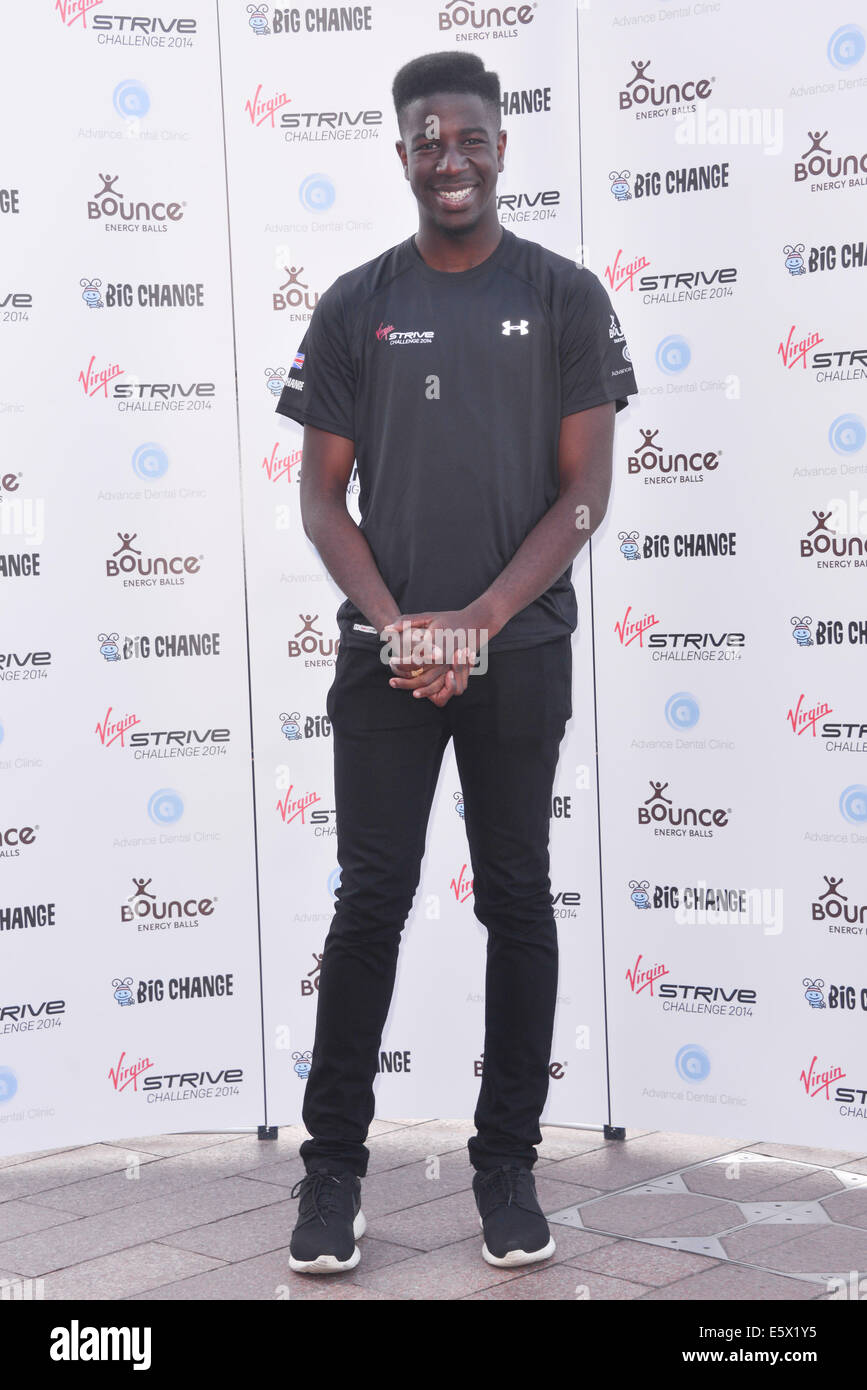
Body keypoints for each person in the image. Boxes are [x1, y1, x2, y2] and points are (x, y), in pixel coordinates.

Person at [275, 50, 637, 1275]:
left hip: (518, 649)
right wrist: (401, 628)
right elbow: (324, 505)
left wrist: (477, 620)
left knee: (517, 898)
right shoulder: (352, 303)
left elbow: (587, 492)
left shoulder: (567, 296)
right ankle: (332, 1178)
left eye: (469, 137)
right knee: (369, 902)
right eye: (427, 140)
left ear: (500, 147)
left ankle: (507, 1166)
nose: (451, 159)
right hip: (387, 658)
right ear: (401, 156)